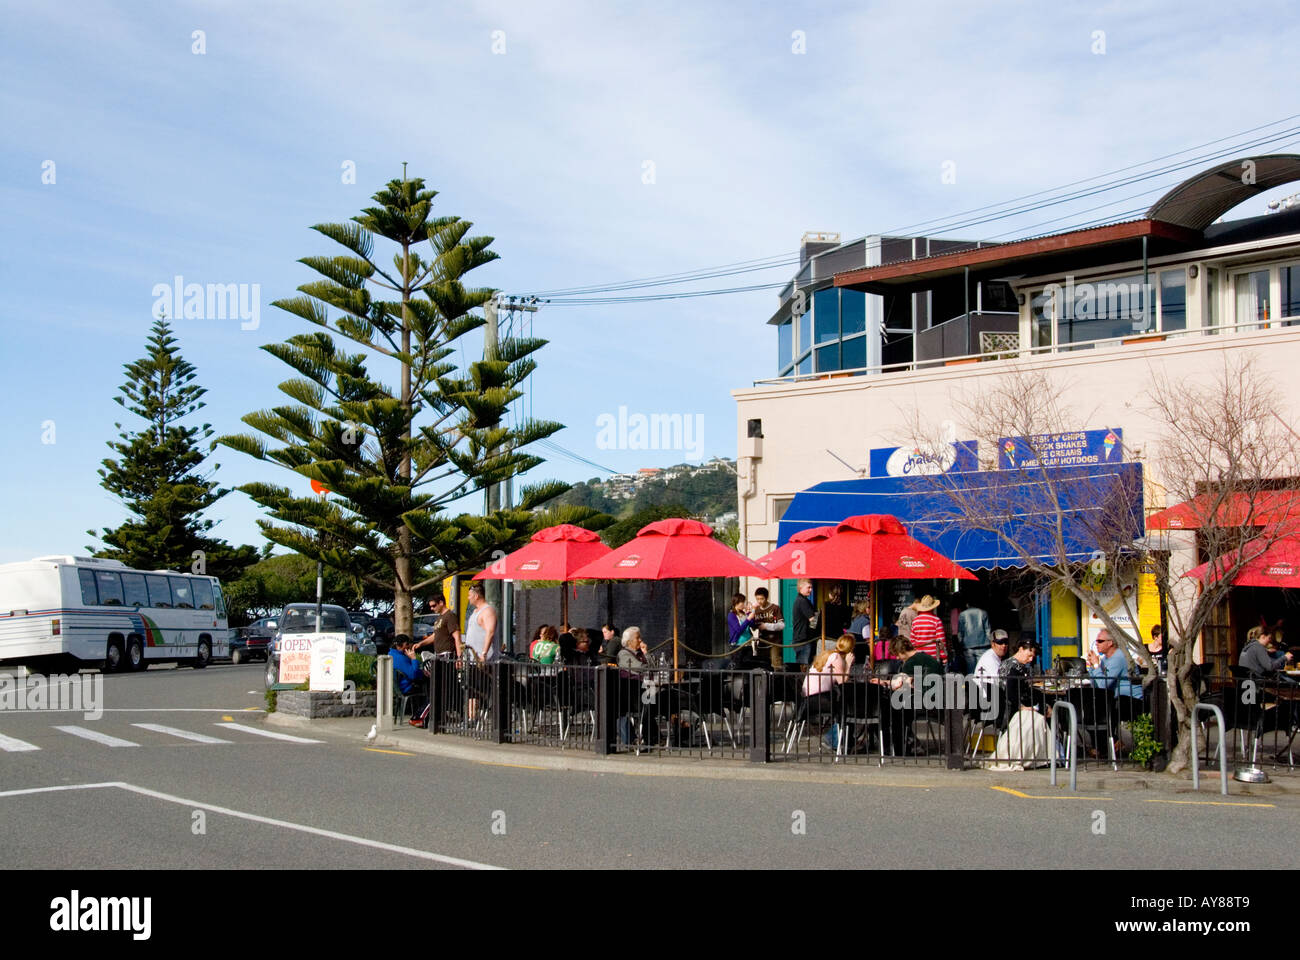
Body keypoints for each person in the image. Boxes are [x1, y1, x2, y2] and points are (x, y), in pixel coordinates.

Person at [1086, 629, 1143, 700]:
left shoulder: (1119, 657)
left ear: (1110, 643)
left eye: (1100, 641)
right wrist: (1092, 667)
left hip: (1131, 701)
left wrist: (1096, 665)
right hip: (1116, 699)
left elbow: (1103, 685)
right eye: (1096, 641)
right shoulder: (1105, 659)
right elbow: (1096, 685)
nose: (1096, 644)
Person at [413, 592, 461, 658]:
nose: (431, 608)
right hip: (439, 654)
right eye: (430, 606)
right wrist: (420, 644)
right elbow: (434, 635)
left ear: (441, 602)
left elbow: (457, 636)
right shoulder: (440, 617)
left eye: (434, 605)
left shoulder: (450, 616)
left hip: (448, 655)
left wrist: (459, 657)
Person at [464, 583, 499, 664]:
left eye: (469, 595)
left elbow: (490, 632)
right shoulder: (475, 611)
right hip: (473, 659)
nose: (468, 598)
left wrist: (484, 653)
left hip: (484, 661)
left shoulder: (488, 611)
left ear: (476, 596)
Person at [751, 587, 785, 669]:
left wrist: (766, 626)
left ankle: (777, 680)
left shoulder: (774, 608)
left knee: (776, 664)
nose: (759, 601)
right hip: (762, 642)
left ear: (766, 598)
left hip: (774, 642)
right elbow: (753, 627)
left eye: (762, 599)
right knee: (762, 665)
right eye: (757, 599)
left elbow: (781, 625)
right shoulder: (756, 610)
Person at [909, 595, 947, 665]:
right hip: (933, 657)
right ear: (932, 608)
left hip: (918, 657)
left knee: (918, 675)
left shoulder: (915, 621)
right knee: (932, 675)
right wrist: (944, 656)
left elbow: (912, 641)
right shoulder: (936, 620)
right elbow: (941, 640)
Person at [958, 596, 991, 674]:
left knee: (971, 670)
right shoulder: (983, 613)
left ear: (967, 604)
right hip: (983, 644)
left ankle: (972, 685)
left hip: (968, 645)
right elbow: (988, 630)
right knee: (982, 670)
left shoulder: (962, 614)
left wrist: (961, 643)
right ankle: (981, 686)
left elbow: (960, 631)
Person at [791, 579, 818, 667]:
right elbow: (813, 621)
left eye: (811, 587)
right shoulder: (802, 601)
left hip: (803, 639)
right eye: (808, 587)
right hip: (803, 640)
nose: (811, 590)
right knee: (804, 668)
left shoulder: (802, 600)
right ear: (800, 587)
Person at [974, 629, 1009, 693]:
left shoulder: (995, 656)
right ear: (993, 644)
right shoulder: (989, 658)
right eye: (1000, 642)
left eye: (1006, 642)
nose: (1004, 645)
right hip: (985, 697)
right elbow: (1000, 681)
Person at [726, 592, 755, 665]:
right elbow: (738, 630)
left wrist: (750, 613)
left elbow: (752, 625)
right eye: (743, 602)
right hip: (737, 646)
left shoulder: (744, 614)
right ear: (737, 603)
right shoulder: (731, 615)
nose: (744, 604)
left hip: (748, 645)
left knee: (748, 667)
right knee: (738, 668)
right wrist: (748, 619)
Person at [821, 584, 850, 653]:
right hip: (838, 639)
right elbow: (847, 625)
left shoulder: (825, 606)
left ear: (831, 594)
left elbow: (818, 623)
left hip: (825, 638)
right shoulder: (846, 608)